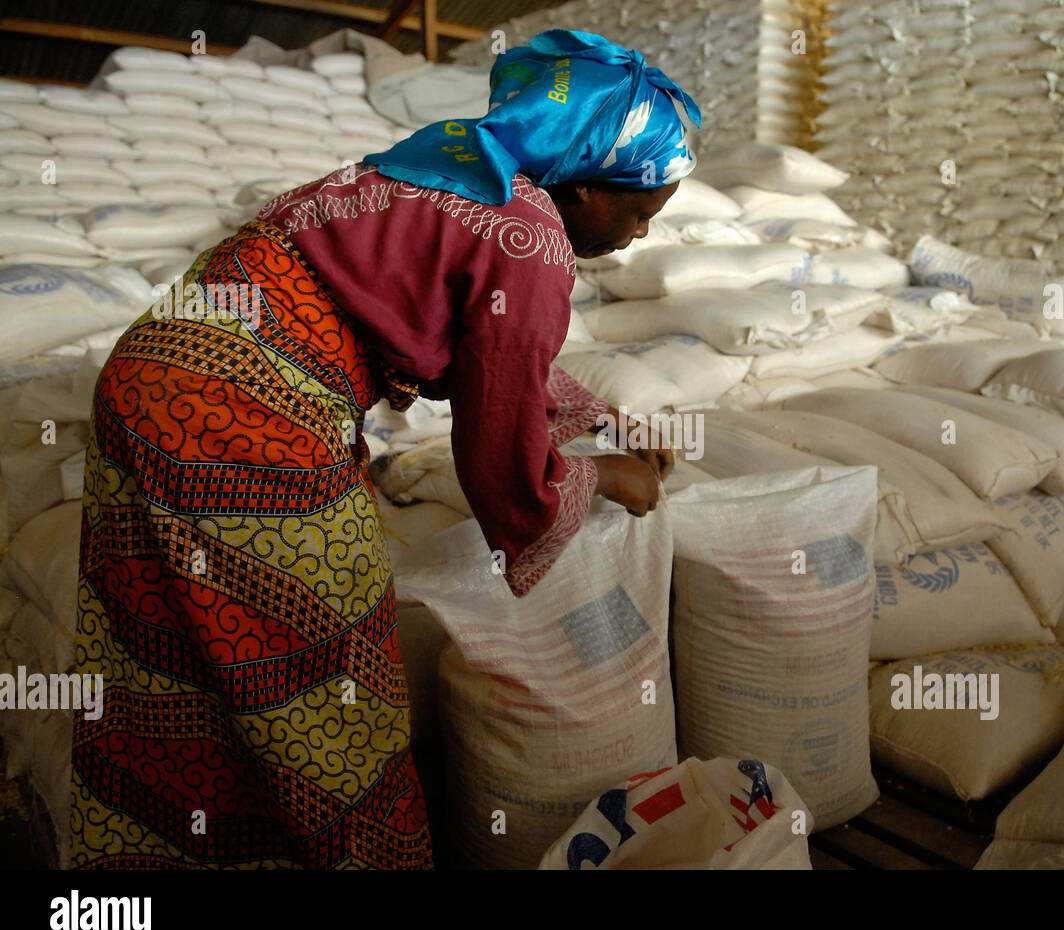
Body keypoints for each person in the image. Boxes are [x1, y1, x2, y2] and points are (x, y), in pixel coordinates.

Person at [70, 28, 699, 869]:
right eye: (641, 213)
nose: (640, 235)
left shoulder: (441, 168)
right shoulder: (535, 238)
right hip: (242, 415)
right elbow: (502, 458)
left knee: (174, 657)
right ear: (585, 184)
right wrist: (601, 477)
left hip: (156, 378)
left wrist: (603, 420)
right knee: (333, 688)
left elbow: (484, 351)